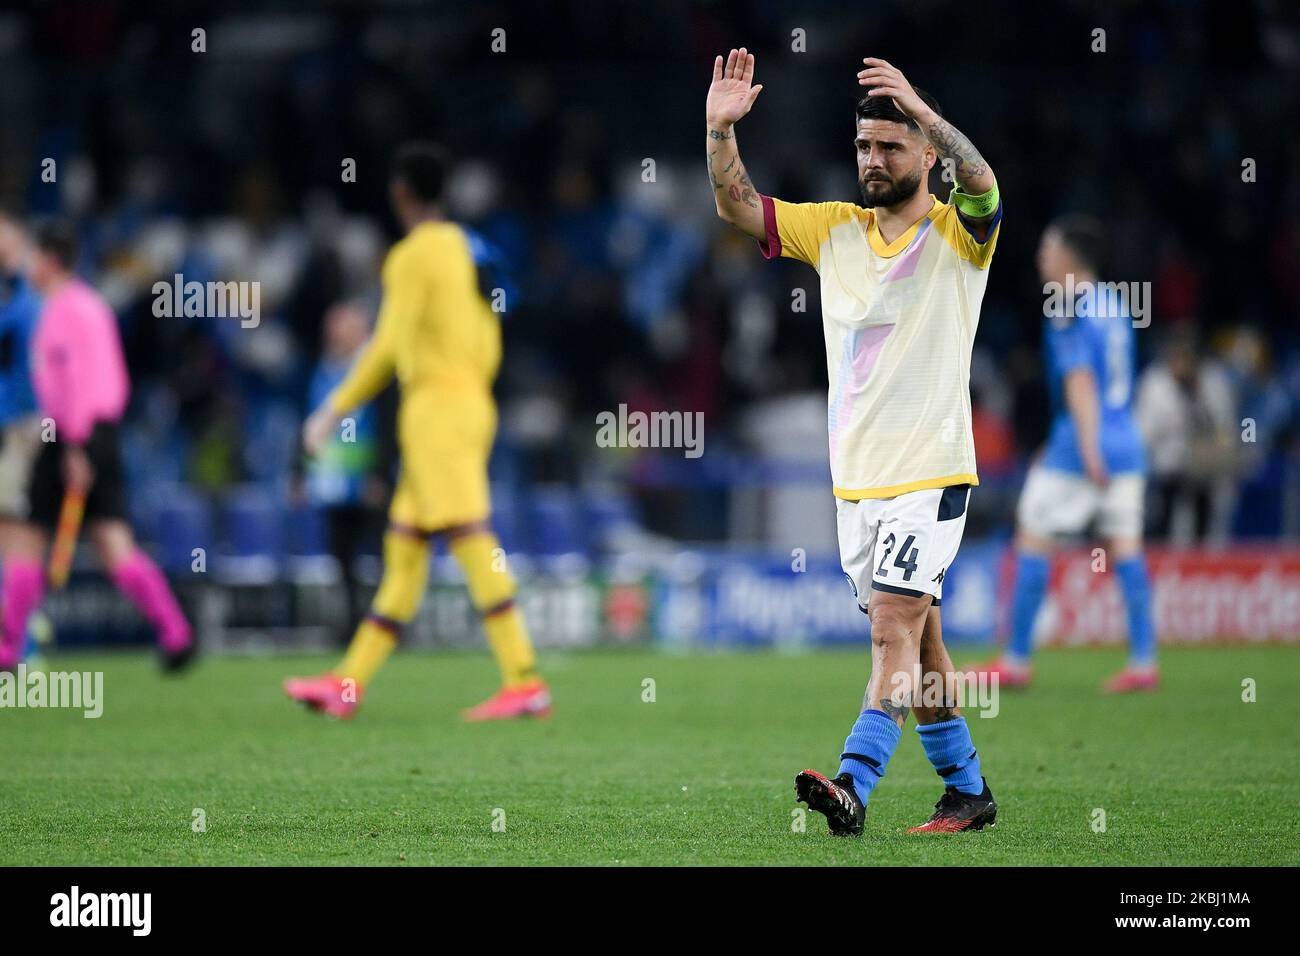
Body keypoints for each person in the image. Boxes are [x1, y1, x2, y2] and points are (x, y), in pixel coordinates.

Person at [707, 49, 1000, 834]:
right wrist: (719, 133)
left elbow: (984, 185)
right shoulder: (834, 230)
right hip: (857, 482)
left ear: (926, 154)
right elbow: (739, 207)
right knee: (924, 641)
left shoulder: (959, 237)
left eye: (891, 146)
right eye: (865, 145)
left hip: (932, 469)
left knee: (890, 627)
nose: (872, 159)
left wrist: (928, 110)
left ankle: (853, 783)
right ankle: (966, 790)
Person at [284, 143, 550, 721]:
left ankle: (524, 678)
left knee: (470, 536)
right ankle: (347, 685)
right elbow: (492, 330)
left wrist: (332, 409)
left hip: (436, 411)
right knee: (404, 550)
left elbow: (387, 345)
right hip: (471, 402)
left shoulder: (410, 256)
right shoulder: (472, 247)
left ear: (400, 194)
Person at [972, 217, 1158, 693]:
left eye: (1047, 248)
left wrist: (1089, 451)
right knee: (1126, 548)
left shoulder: (1067, 307)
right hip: (1126, 444)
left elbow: (1081, 382)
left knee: (1033, 536)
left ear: (1068, 257)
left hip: (1082, 447)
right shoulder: (1115, 305)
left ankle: (1015, 659)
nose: (1040, 257)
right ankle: (1143, 661)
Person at [0, 220, 194, 672]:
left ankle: (9, 650)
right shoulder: (91, 305)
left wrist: (73, 447)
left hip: (69, 435)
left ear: (49, 261)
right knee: (112, 540)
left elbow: (77, 386)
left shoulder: (63, 311)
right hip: (98, 433)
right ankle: (175, 632)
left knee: (27, 540)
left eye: (34, 257)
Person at [299, 300, 397, 644]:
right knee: (342, 560)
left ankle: (390, 626)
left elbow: (388, 426)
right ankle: (352, 624)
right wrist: (298, 472)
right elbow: (308, 419)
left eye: (341, 327)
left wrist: (380, 475)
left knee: (388, 556)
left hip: (369, 483)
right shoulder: (320, 369)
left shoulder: (379, 369)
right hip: (332, 483)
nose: (334, 334)